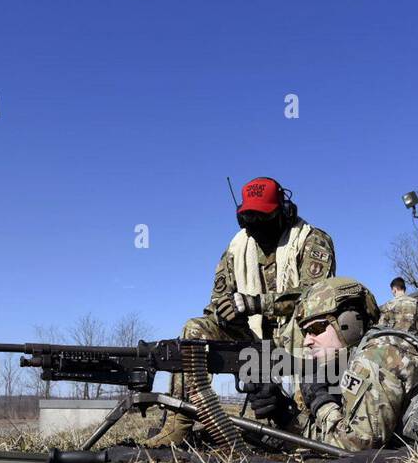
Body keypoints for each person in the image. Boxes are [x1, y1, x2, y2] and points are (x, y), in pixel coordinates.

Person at [144, 176, 336, 446]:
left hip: (299, 338)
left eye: (264, 219)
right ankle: (179, 424)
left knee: (304, 432)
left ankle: (302, 420)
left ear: (284, 211)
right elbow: (218, 297)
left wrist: (255, 303)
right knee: (194, 329)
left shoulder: (311, 240)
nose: (256, 228)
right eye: (249, 220)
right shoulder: (237, 247)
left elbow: (316, 298)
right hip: (252, 337)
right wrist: (225, 311)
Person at [249, 277, 418, 452]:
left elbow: (353, 447)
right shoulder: (364, 355)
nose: (308, 340)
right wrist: (286, 415)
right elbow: (335, 438)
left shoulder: (376, 354)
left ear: (350, 324)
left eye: (317, 329)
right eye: (305, 332)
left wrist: (321, 403)